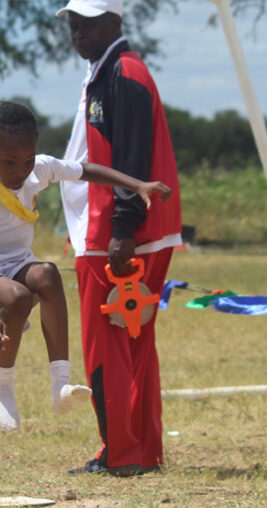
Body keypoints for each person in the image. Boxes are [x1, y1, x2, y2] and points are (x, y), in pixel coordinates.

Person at [0, 101, 170, 431]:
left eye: (28, 160)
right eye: (10, 162)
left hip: (16, 263)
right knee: (17, 298)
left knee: (47, 274)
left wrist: (137, 185)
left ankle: (60, 384)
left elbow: (85, 169)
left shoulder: (38, 170)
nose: (21, 171)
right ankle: (1, 387)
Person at [56, 0, 182, 477]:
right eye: (72, 23)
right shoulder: (109, 71)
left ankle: (121, 454)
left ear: (114, 21)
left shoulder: (123, 74)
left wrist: (122, 228)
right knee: (134, 342)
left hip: (117, 231)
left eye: (87, 22)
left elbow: (132, 154)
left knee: (106, 346)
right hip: (117, 228)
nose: (78, 32)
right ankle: (142, 451)